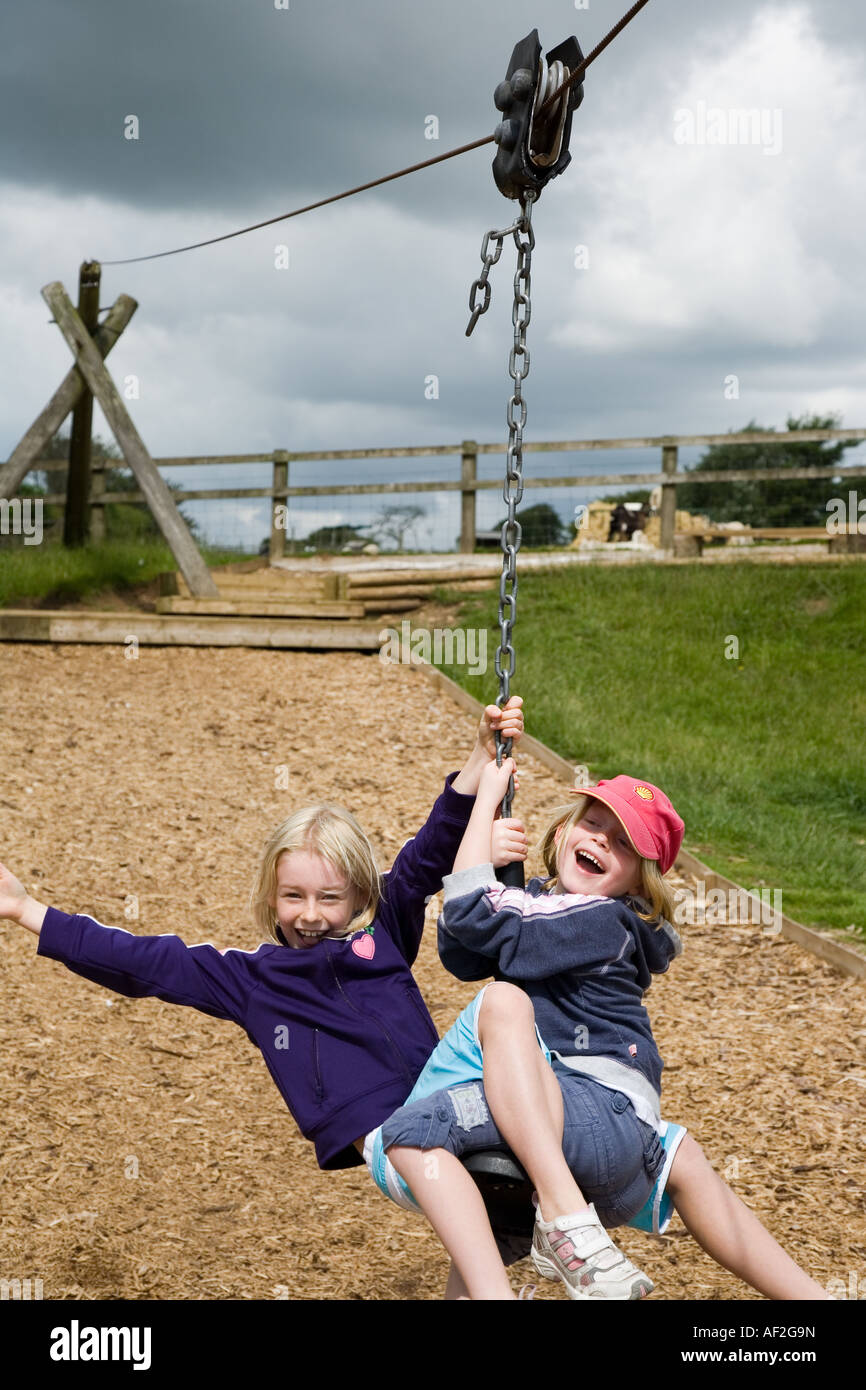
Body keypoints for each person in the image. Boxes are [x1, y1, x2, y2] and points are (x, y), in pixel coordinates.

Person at [0, 696, 638, 1300]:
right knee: (451, 1181)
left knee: (486, 1225)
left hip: (454, 1108)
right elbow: (143, 960)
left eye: (329, 899)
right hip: (394, 1138)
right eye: (293, 897)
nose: (309, 915)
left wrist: (479, 764)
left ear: (360, 897)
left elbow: (424, 856)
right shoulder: (252, 980)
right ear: (270, 896)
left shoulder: (382, 934)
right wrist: (31, 912)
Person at [374, 758, 831, 1301]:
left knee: (415, 1120)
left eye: (624, 844)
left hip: (587, 1116)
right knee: (495, 1227)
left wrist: (481, 811)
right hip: (618, 1152)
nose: (602, 841)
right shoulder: (547, 907)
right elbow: (462, 950)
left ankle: (567, 1220)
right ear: (565, 828)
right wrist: (493, 866)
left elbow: (473, 915)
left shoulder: (602, 919)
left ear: (641, 881)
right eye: (594, 824)